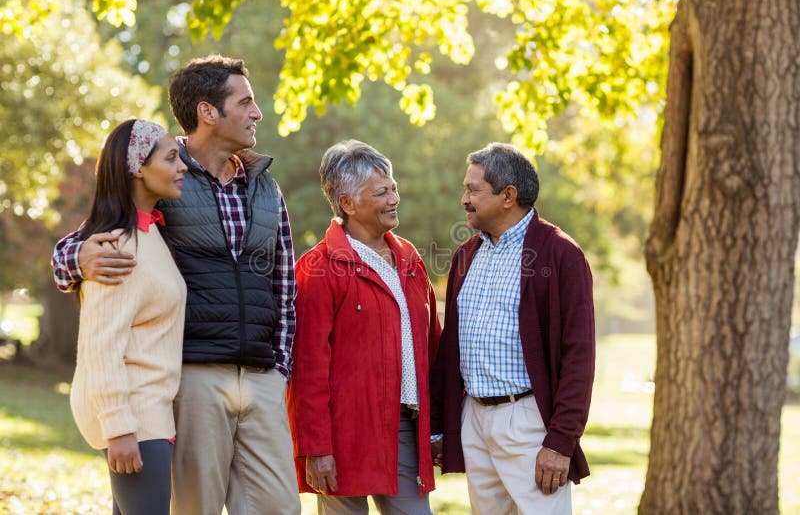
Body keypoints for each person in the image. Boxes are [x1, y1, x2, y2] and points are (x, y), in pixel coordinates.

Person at [52, 55, 300, 515]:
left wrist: (280, 365)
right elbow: (90, 239)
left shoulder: (266, 188)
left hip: (263, 378)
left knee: (280, 507)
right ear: (209, 112)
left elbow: (285, 285)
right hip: (193, 379)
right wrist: (79, 257)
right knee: (194, 508)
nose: (256, 113)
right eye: (245, 102)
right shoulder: (163, 173)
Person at [429, 143, 595, 514]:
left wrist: (560, 441)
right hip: (474, 419)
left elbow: (579, 357)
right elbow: (450, 350)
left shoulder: (561, 255)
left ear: (508, 196)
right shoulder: (465, 256)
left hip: (528, 423)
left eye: (473, 190)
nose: (464, 199)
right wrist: (438, 425)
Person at [287, 140, 441, 514]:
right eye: (381, 192)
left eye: (393, 188)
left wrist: (435, 428)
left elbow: (432, 348)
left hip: (404, 429)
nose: (393, 198)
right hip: (342, 436)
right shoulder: (318, 268)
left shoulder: (410, 259)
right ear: (348, 203)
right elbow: (307, 367)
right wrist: (316, 448)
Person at [70, 119, 187, 515]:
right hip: (136, 421)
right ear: (137, 167)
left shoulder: (151, 235)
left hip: (154, 414)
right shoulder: (116, 246)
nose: (182, 166)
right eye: (171, 158)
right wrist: (119, 427)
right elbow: (102, 344)